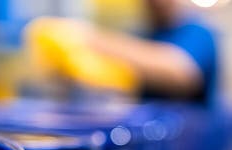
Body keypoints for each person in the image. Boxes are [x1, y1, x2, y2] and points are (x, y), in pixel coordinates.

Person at [84, 0, 218, 104]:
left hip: (192, 135)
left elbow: (181, 71)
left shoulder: (199, 33)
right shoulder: (140, 36)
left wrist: (90, 38)